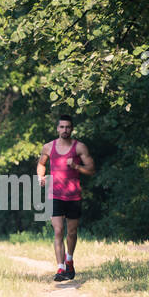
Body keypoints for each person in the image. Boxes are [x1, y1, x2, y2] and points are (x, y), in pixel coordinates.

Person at [36, 114, 95, 281]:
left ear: (72, 129)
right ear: (57, 128)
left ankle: (69, 260)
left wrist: (76, 166)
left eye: (67, 127)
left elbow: (91, 169)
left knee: (72, 232)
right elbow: (41, 164)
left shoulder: (79, 148)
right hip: (54, 195)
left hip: (73, 195)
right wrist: (41, 177)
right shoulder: (48, 147)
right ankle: (60, 268)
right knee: (58, 230)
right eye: (61, 127)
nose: (64, 130)